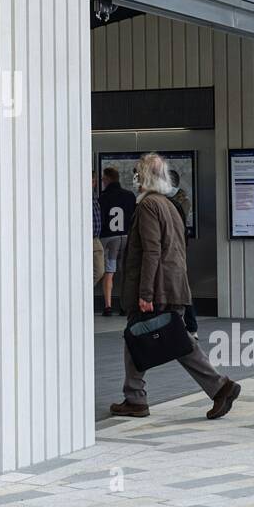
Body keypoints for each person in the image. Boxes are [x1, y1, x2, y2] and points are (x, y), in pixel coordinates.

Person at [110, 153, 241, 420]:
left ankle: (217, 387)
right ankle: (136, 396)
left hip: (156, 289)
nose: (134, 179)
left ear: (143, 177)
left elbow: (152, 251)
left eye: (137, 173)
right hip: (173, 285)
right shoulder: (168, 205)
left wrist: (145, 293)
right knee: (171, 340)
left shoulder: (148, 206)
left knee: (145, 337)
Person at [98, 166, 136, 317]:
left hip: (109, 238)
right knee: (125, 272)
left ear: (107, 178)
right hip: (126, 237)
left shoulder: (103, 197)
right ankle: (124, 305)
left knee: (109, 272)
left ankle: (108, 306)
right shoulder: (129, 196)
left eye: (103, 178)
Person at [165, 168, 198, 335]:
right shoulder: (172, 199)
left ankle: (191, 326)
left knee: (181, 283)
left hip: (175, 246)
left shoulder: (180, 200)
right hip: (172, 245)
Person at [92, 171, 106, 304]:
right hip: (88, 239)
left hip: (95, 238)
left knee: (100, 270)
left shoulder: (94, 196)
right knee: (98, 269)